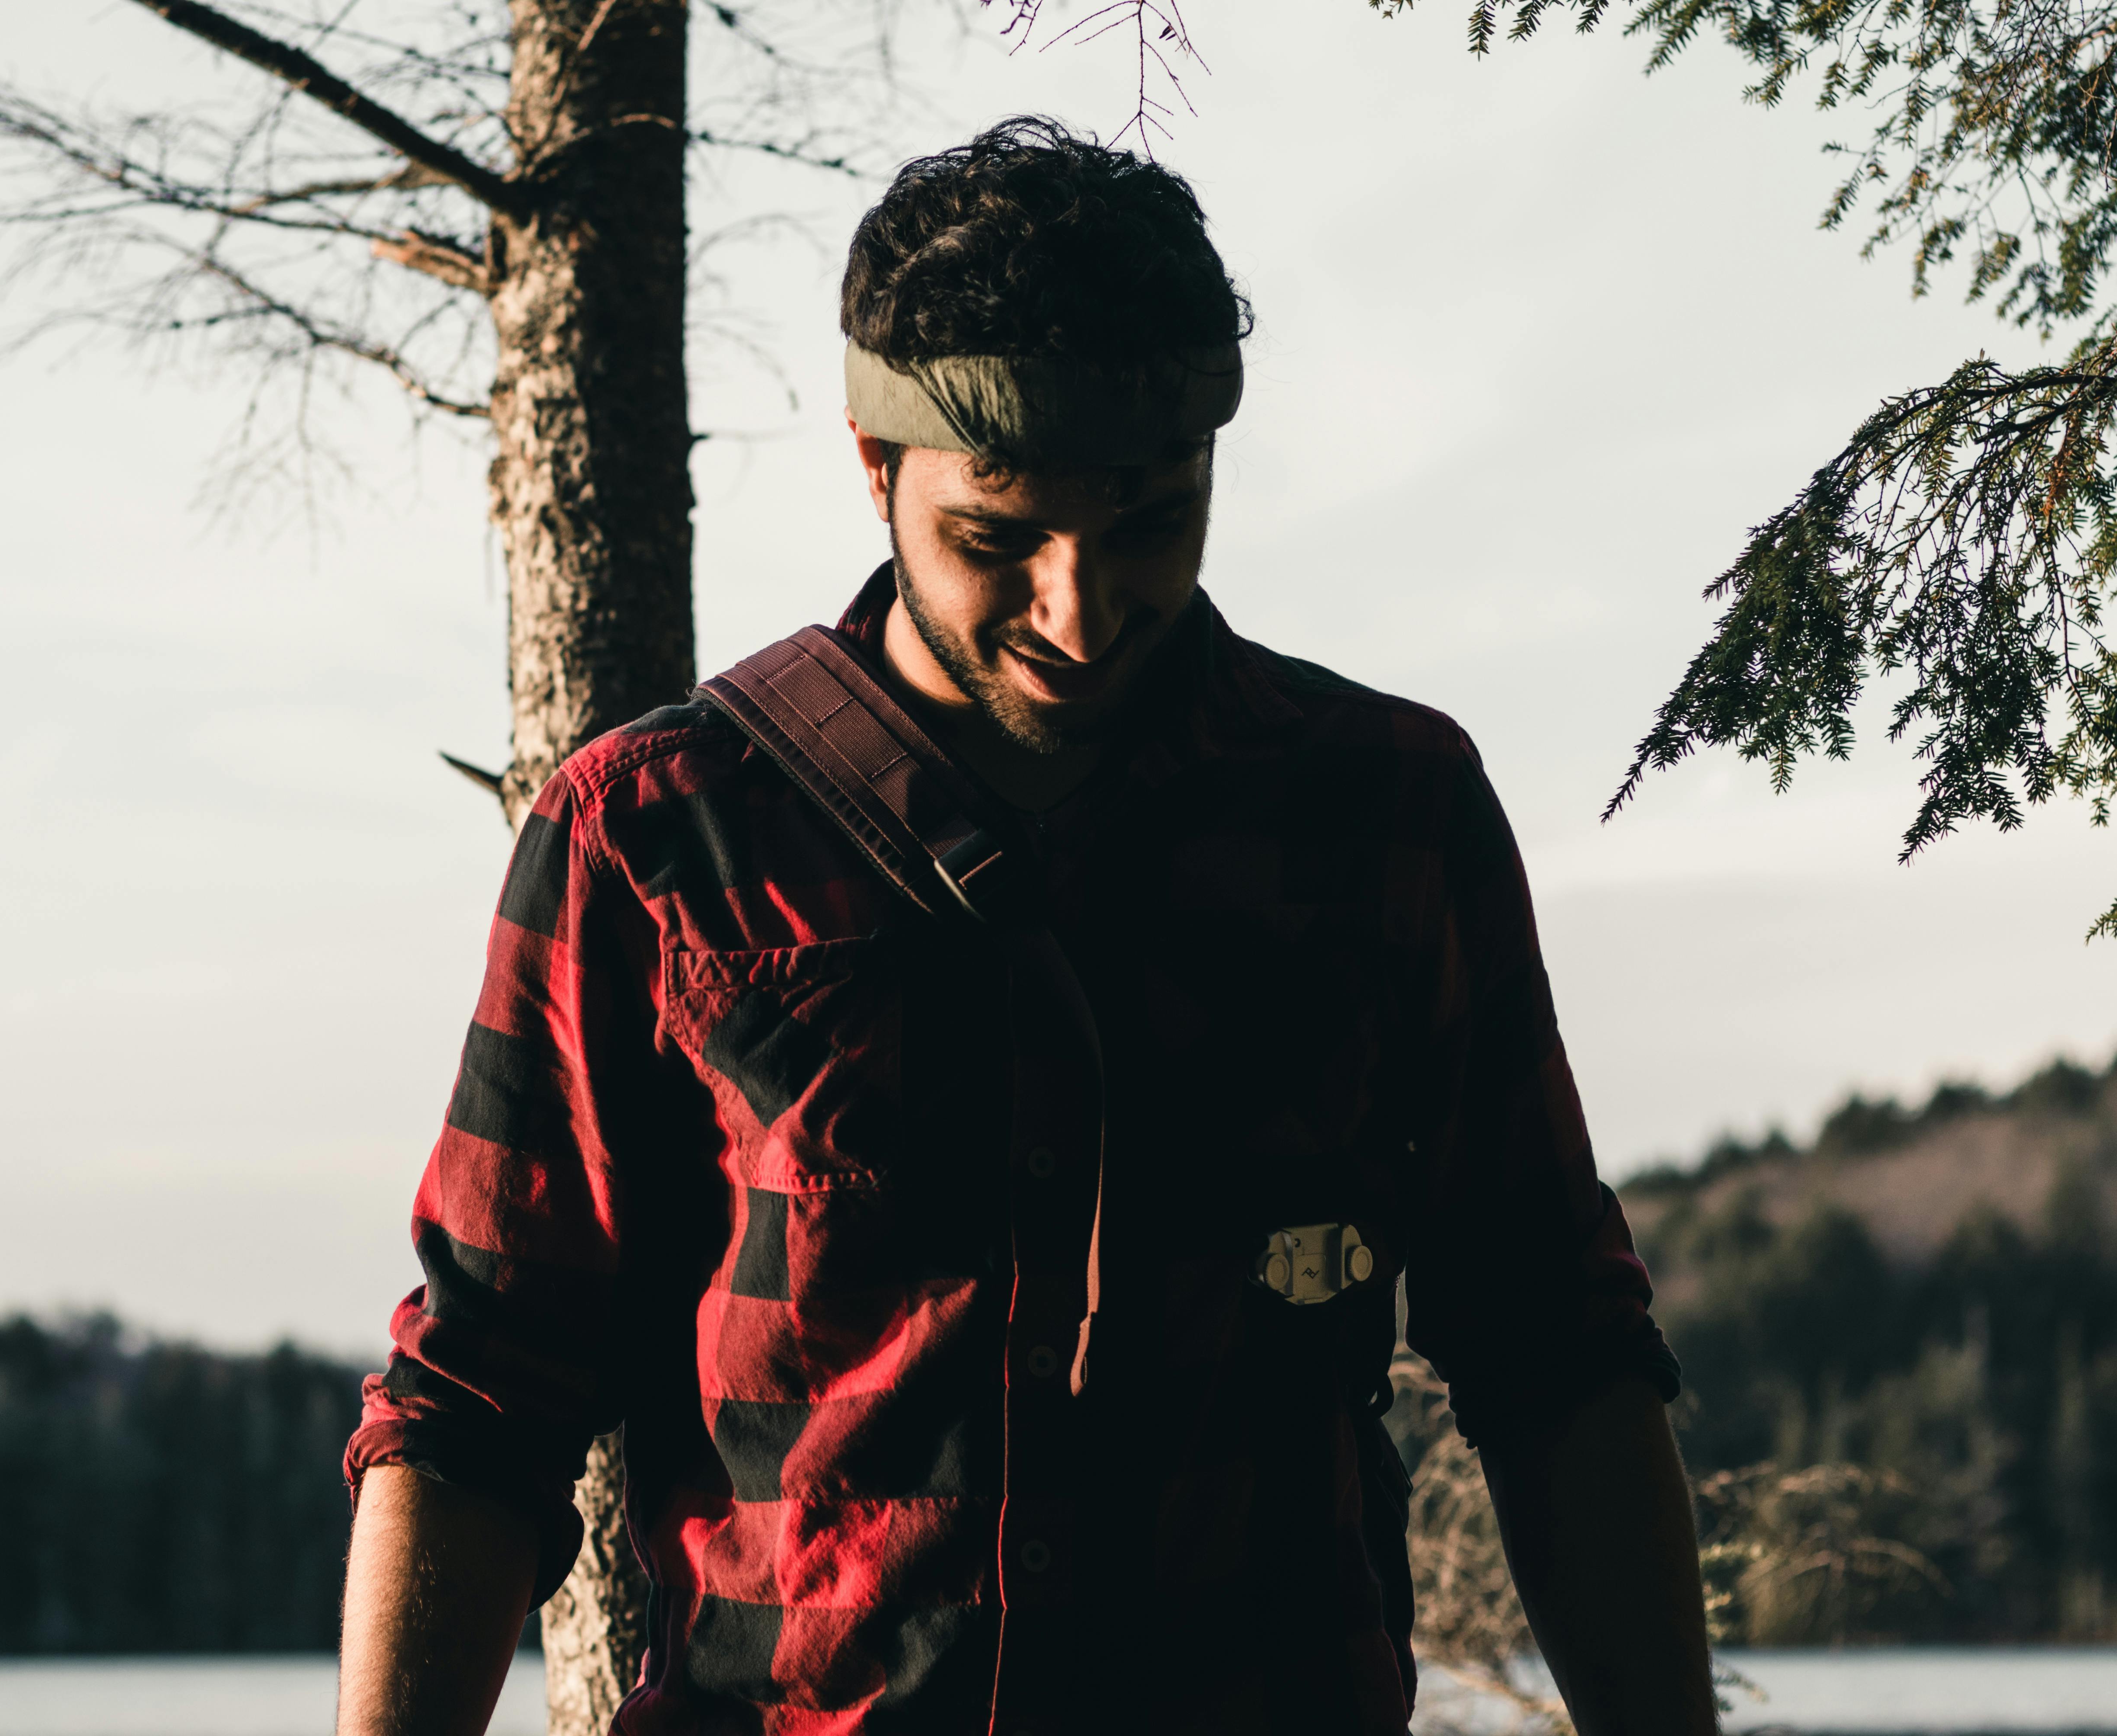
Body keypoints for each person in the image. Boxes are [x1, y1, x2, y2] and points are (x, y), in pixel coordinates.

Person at [335, 117, 1714, 1736]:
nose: (1081, 609)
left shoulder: (1387, 815)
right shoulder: (649, 837)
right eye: (997, 538)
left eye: (1148, 525)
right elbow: (478, 1397)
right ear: (876, 467)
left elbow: (1558, 1356)